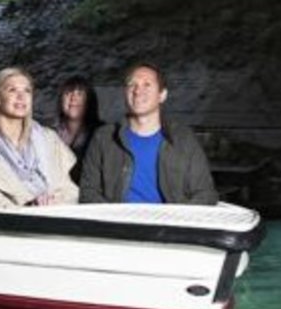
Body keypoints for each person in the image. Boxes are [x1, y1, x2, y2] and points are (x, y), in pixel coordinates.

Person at [79, 63, 218, 205]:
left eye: (147, 85)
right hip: (119, 223)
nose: (138, 91)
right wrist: (115, 218)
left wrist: (176, 217)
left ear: (162, 95)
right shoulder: (104, 137)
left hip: (168, 224)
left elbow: (205, 193)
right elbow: (88, 191)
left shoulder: (183, 139)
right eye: (132, 85)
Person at [0, 67, 79, 208]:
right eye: (12, 90)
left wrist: (55, 202)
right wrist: (30, 208)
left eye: (27, 91)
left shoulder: (50, 140)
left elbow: (68, 189)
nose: (21, 97)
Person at [53, 74, 101, 183]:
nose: (73, 98)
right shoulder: (49, 136)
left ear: (90, 101)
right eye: (68, 93)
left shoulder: (103, 134)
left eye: (80, 94)